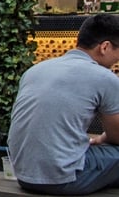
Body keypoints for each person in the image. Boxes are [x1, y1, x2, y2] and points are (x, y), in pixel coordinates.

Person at [9, 13, 119, 194]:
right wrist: (103, 139)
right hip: (64, 178)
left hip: (24, 175)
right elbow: (117, 136)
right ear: (105, 47)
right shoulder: (104, 77)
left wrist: (98, 140)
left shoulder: (35, 70)